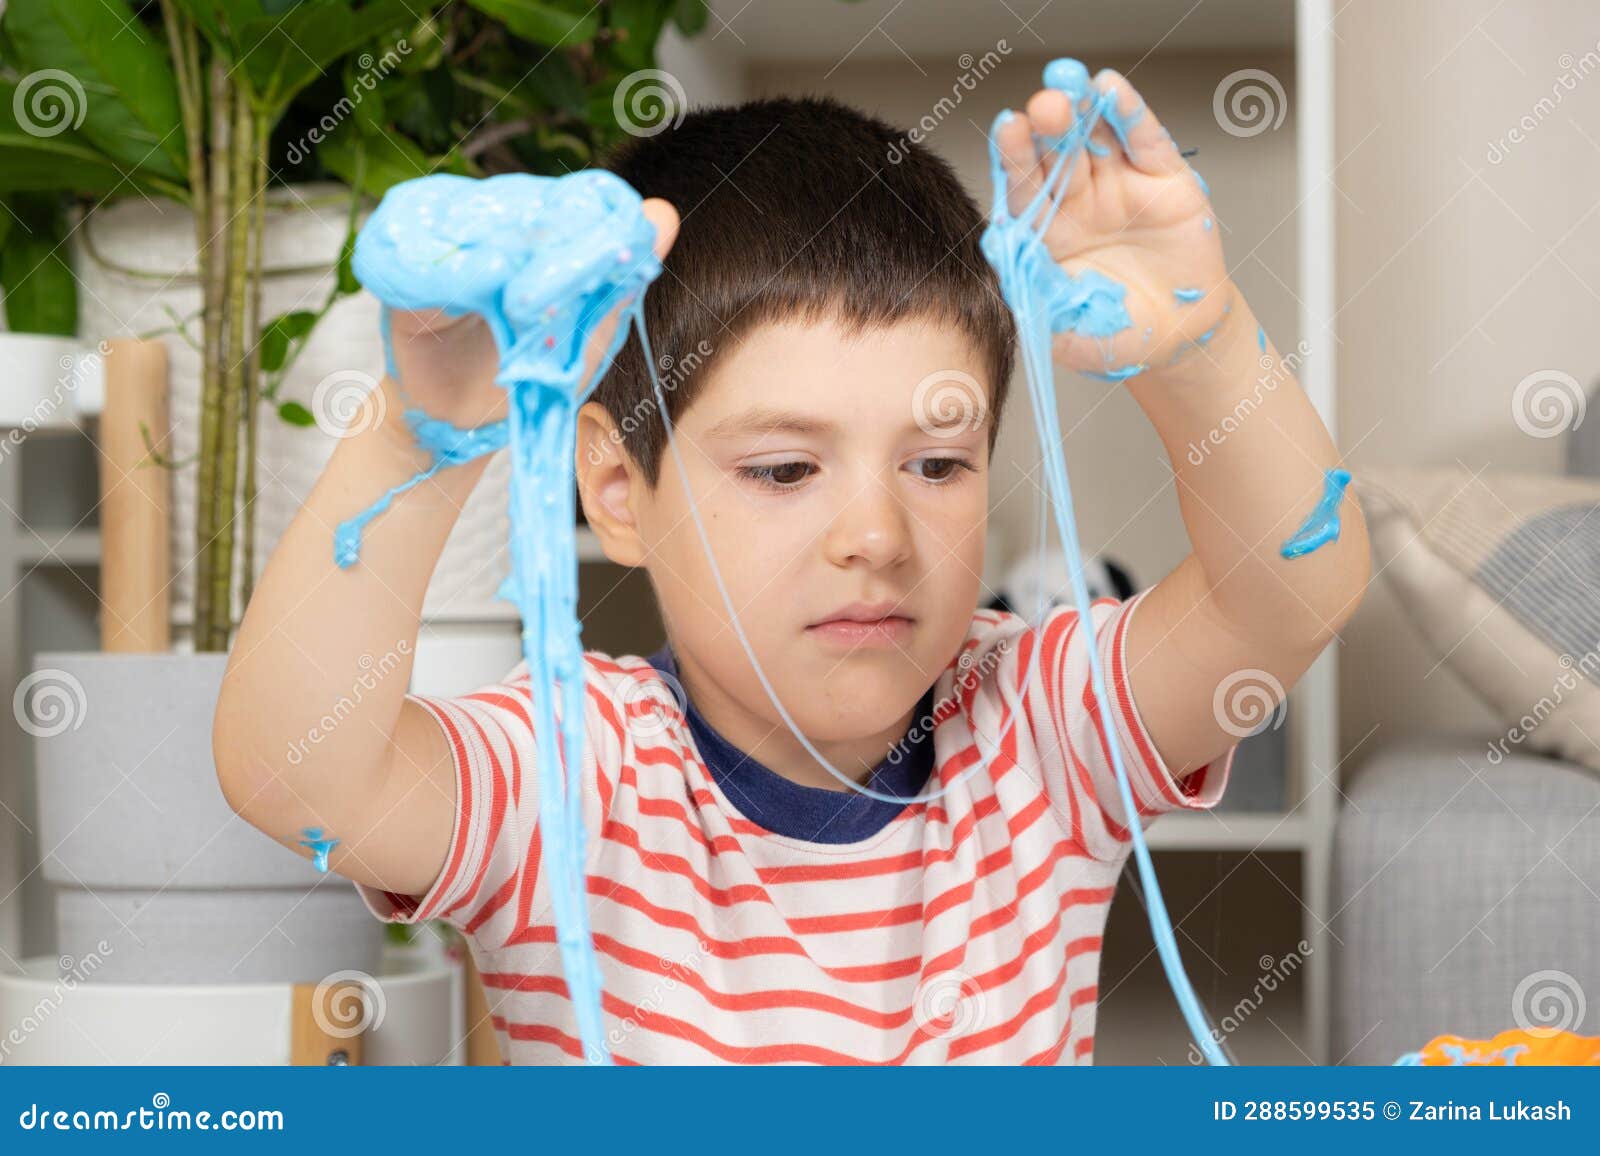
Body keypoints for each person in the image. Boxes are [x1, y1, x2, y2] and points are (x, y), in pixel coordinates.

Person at [214, 68, 1369, 1064]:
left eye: (934, 463)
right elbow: (298, 778)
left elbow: (1285, 591)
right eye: (781, 470)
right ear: (618, 489)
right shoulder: (575, 773)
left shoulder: (1044, 731)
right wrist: (420, 437)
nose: (874, 534)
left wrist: (1201, 346)